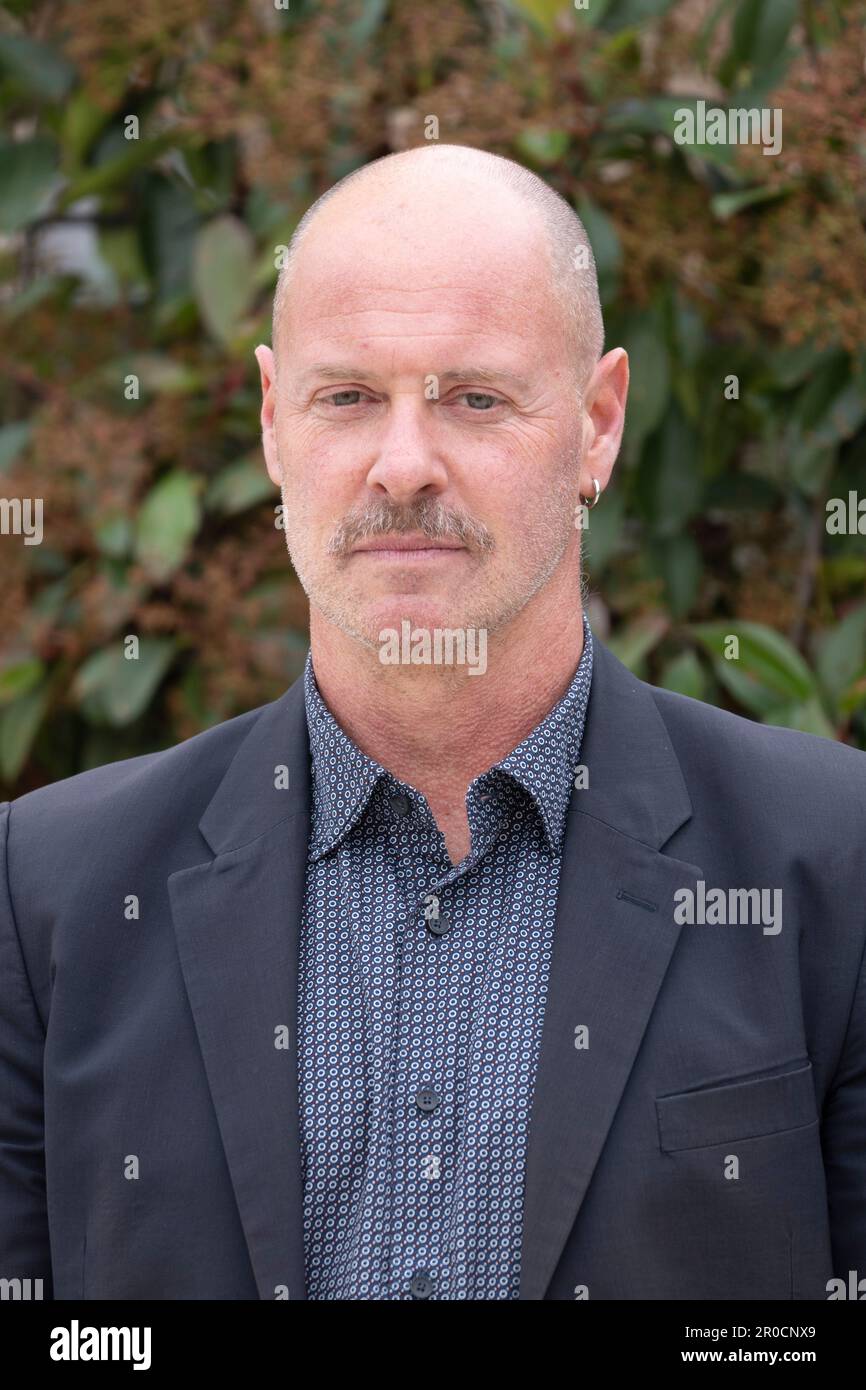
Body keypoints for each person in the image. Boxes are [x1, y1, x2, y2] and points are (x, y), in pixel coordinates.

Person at [1, 144, 863, 1301]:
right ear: (272, 421)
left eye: (473, 397)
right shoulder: (50, 890)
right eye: (348, 396)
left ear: (597, 424)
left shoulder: (831, 865)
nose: (402, 466)